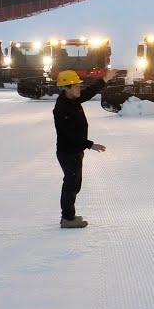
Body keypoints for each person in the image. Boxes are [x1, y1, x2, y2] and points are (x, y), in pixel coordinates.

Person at [53, 67, 117, 228]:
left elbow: (89, 92)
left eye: (78, 86)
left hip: (74, 151)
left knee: (74, 183)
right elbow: (69, 135)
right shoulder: (62, 108)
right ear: (66, 88)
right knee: (71, 184)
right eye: (75, 86)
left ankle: (69, 215)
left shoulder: (71, 100)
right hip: (68, 152)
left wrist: (105, 79)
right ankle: (67, 218)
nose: (79, 88)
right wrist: (90, 145)